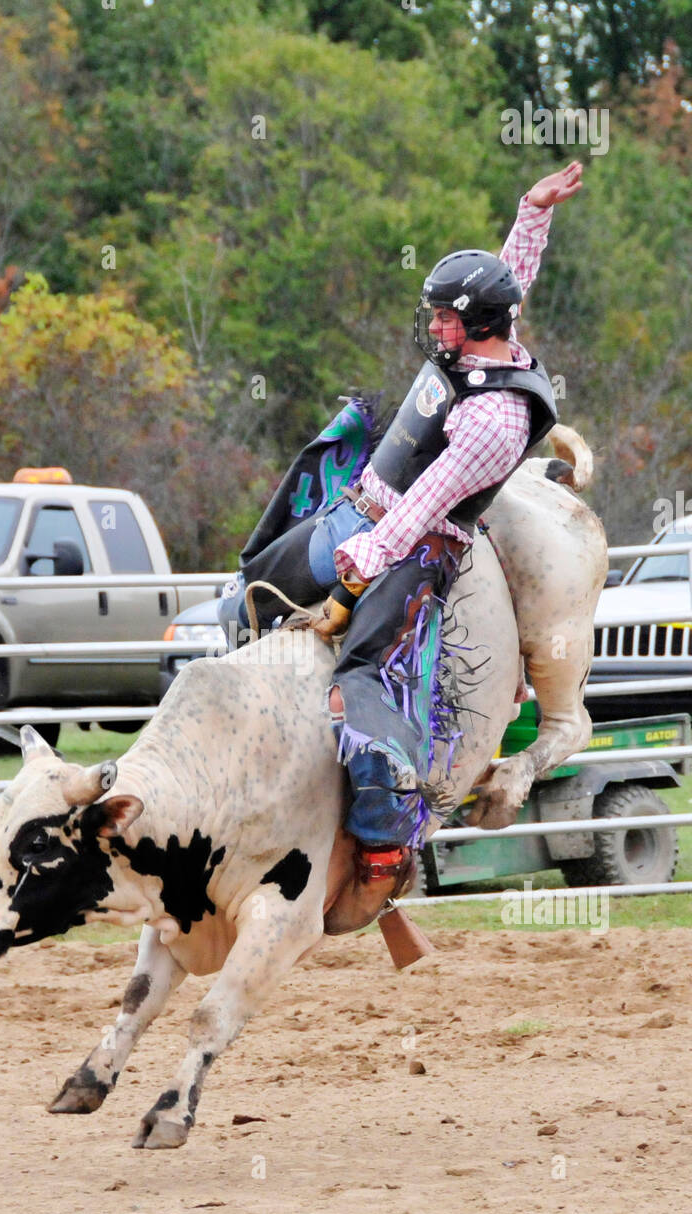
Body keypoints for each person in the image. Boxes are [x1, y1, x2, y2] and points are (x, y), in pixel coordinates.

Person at [220, 161, 583, 930]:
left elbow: (427, 502)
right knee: (255, 583)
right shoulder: (485, 336)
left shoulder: (497, 422)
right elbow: (512, 273)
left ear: (479, 326)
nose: (436, 329)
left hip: (414, 546)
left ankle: (382, 850)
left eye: (447, 320)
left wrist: (366, 561)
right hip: (361, 510)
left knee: (362, 683)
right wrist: (532, 209)